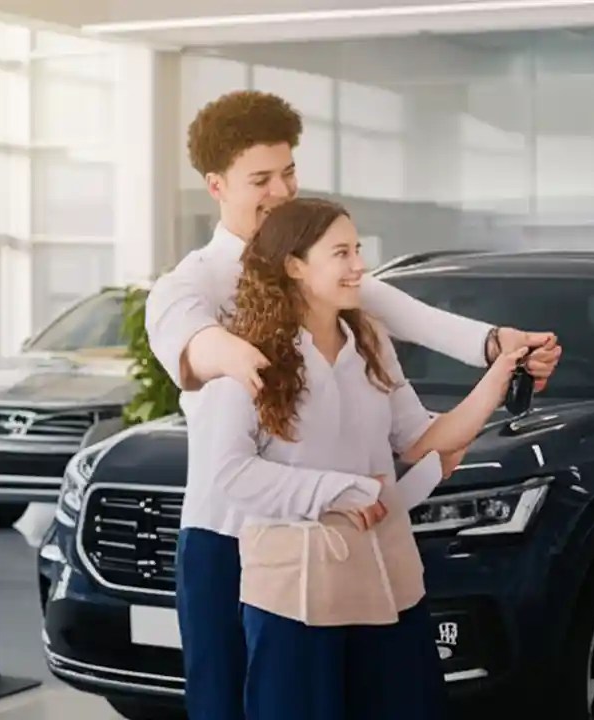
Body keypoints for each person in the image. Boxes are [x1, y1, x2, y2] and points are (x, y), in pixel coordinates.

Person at [144, 89, 563, 719]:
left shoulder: (333, 288)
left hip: (345, 534)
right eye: (261, 179)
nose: (281, 191)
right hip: (229, 534)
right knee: (229, 703)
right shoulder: (192, 282)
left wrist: (501, 346)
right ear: (216, 185)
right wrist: (243, 356)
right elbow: (190, 341)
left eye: (288, 172)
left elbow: (408, 313)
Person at [196, 197, 518, 718]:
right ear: (294, 266)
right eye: (341, 253)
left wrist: (500, 374)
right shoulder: (247, 358)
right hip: (294, 598)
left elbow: (420, 438)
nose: (358, 266)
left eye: (357, 250)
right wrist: (337, 491)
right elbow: (230, 474)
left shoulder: (369, 342)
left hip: (387, 583)